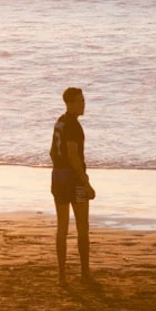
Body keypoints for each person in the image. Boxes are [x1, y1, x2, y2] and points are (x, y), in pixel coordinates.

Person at [51, 87, 95, 285]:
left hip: (58, 176)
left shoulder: (59, 122)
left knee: (62, 228)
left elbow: (53, 151)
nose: (83, 104)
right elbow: (73, 156)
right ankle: (84, 272)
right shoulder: (73, 126)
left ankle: (61, 275)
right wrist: (86, 183)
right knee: (82, 227)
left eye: (83, 100)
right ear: (70, 103)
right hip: (73, 179)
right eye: (80, 101)